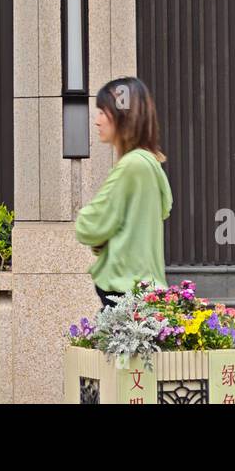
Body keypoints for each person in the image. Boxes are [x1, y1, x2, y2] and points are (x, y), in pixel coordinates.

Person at [74, 76, 172, 310]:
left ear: (123, 116)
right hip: (142, 289)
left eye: (101, 112)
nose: (96, 121)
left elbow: (89, 226)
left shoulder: (131, 166)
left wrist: (98, 234)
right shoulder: (149, 163)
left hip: (124, 289)